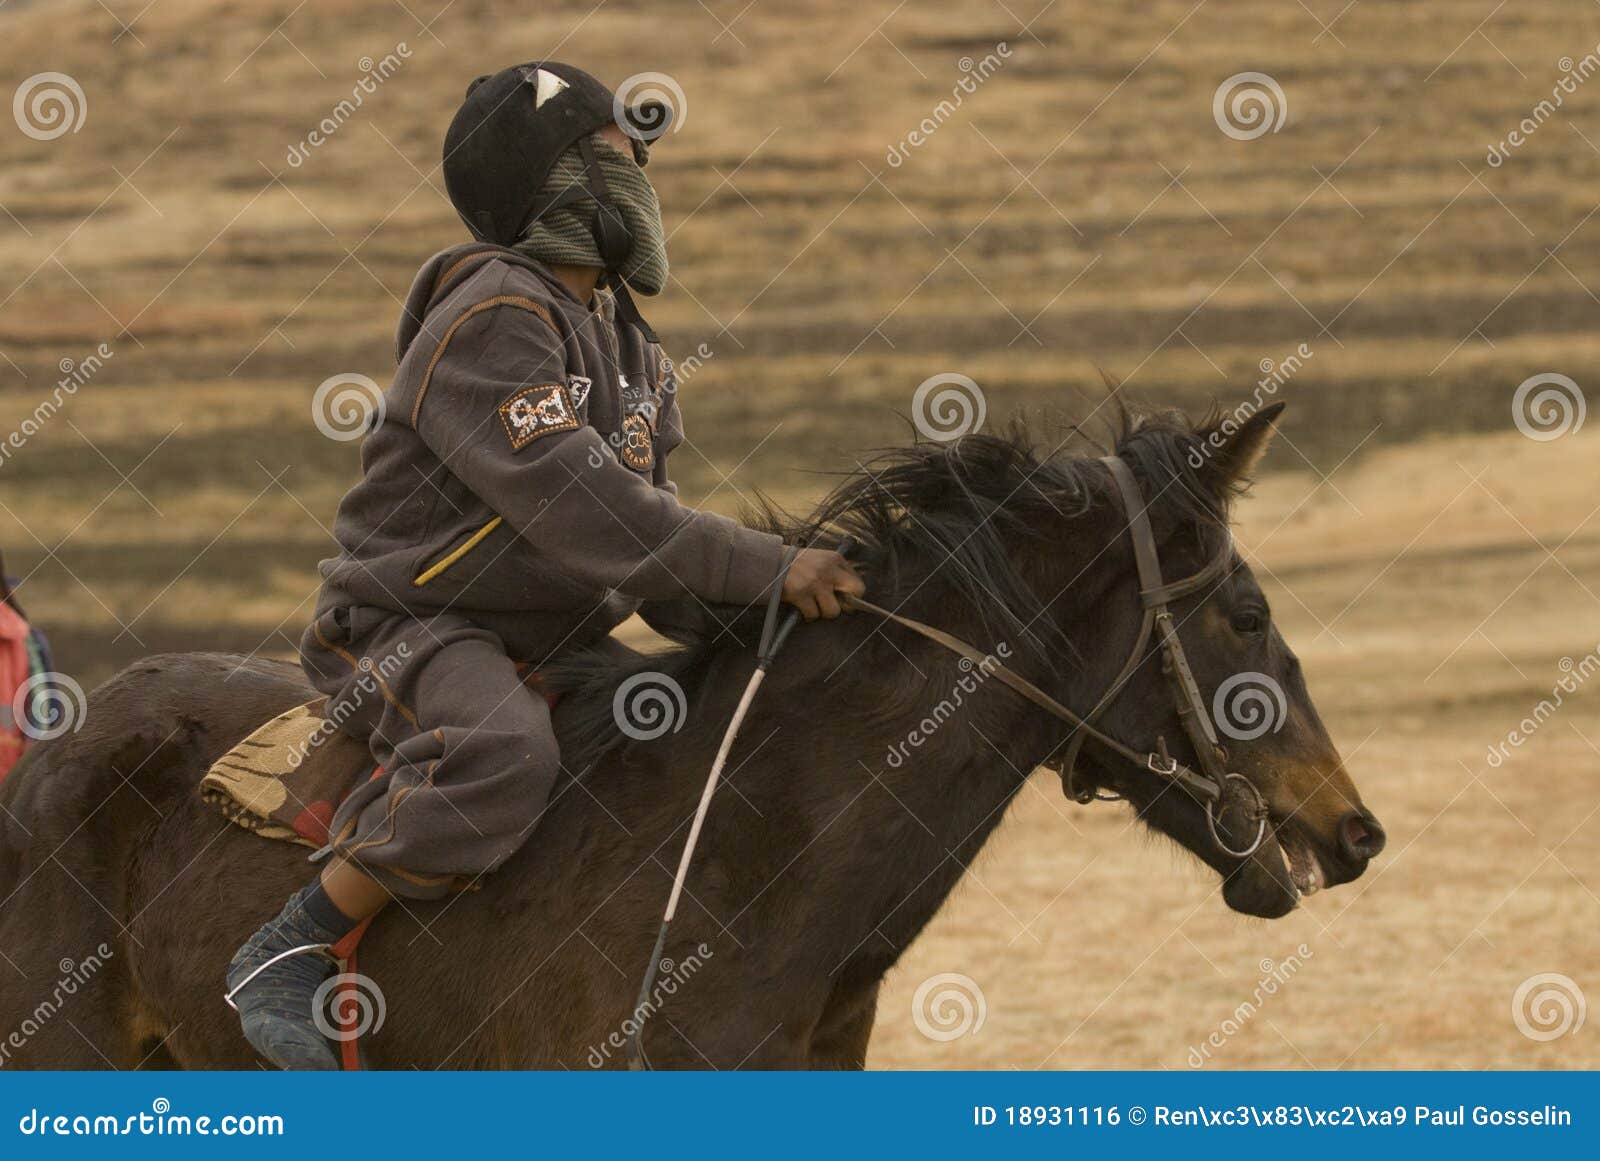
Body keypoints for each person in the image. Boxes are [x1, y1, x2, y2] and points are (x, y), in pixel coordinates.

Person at [224, 61, 863, 1069]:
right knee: (503, 755)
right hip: (414, 627)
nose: (641, 174)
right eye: (618, 155)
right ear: (551, 181)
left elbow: (653, 550)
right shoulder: (492, 321)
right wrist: (768, 562)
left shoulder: (635, 356)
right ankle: (293, 944)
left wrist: (786, 622)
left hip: (556, 639)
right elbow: (588, 508)